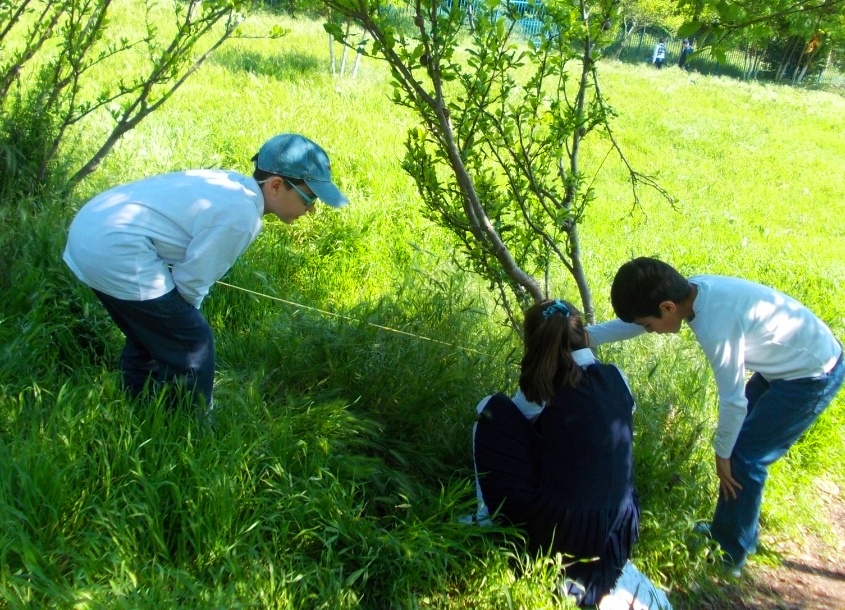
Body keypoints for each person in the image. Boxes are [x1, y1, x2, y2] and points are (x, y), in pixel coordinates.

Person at [593, 257, 844, 575]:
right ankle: (736, 535)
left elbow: (734, 401)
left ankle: (730, 555)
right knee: (740, 452)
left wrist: (721, 454)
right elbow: (632, 323)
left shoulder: (715, 327)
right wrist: (587, 337)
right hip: (787, 364)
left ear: (668, 308)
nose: (650, 332)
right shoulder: (693, 291)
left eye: (648, 325)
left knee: (744, 459)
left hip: (812, 375)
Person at [63, 133, 349, 412]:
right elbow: (191, 283)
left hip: (93, 230)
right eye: (308, 198)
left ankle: (137, 406)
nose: (311, 210)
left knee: (152, 333)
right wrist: (182, 324)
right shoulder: (241, 217)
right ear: (275, 186)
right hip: (114, 248)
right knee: (191, 342)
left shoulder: (233, 184)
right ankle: (191, 427)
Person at [472, 299, 642, 607]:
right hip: (620, 523)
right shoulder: (616, 376)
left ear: (534, 341)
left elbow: (517, 425)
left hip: (563, 528)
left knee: (490, 413)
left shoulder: (540, 390)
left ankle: (486, 519)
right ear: (583, 335)